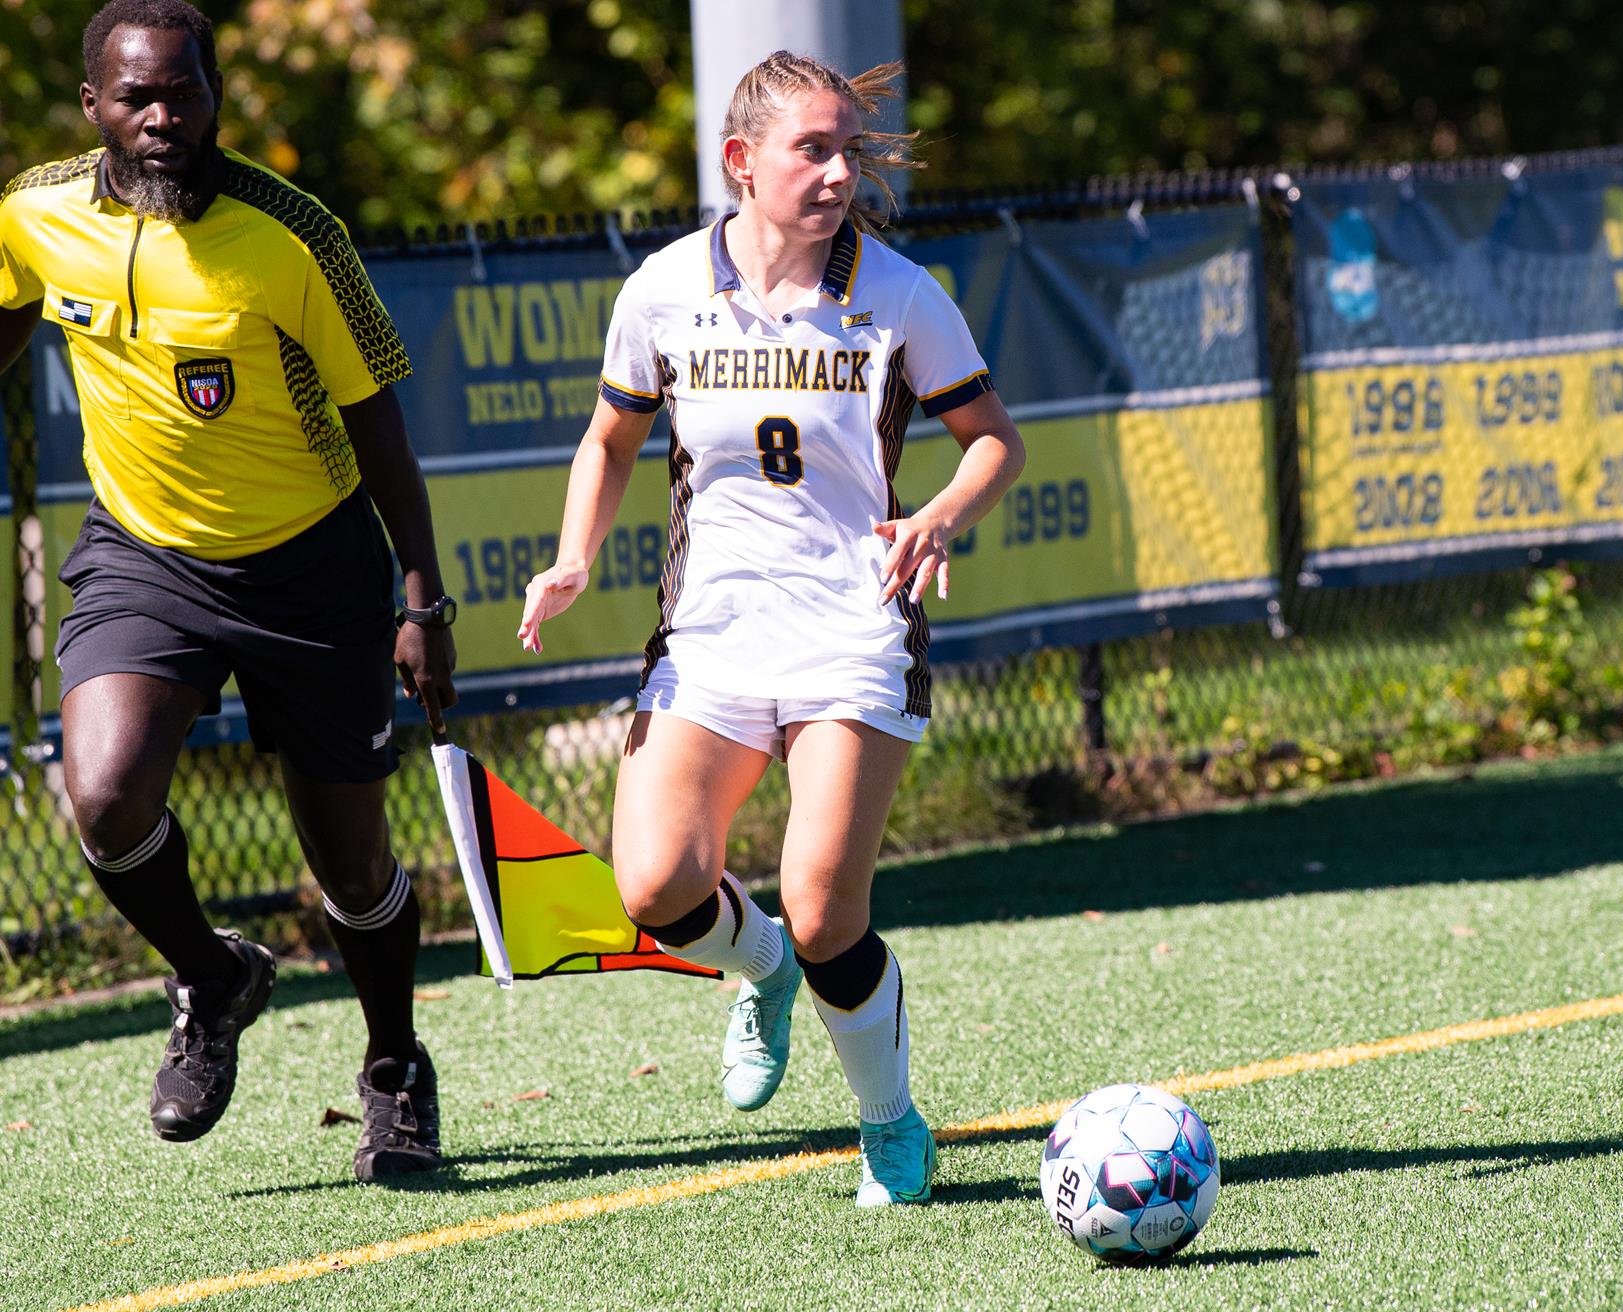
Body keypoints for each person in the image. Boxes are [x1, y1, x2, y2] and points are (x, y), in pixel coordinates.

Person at [518, 51, 1027, 1206]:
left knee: (821, 905)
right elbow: (609, 439)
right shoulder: (661, 288)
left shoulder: (898, 292)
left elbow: (994, 437)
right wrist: (572, 555)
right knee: (649, 887)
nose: (841, 171)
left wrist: (940, 512)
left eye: (849, 148)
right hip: (711, 634)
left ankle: (889, 1124)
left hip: (854, 629)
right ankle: (758, 971)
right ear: (741, 161)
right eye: (814, 149)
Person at [0, 0, 456, 1182]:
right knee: (101, 795)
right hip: (145, 551)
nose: (164, 119)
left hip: (311, 564)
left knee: (351, 865)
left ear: (216, 96)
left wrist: (422, 600)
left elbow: (380, 427)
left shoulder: (292, 232)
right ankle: (213, 975)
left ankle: (395, 1067)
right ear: (95, 104)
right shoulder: (35, 212)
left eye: (186, 93)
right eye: (138, 97)